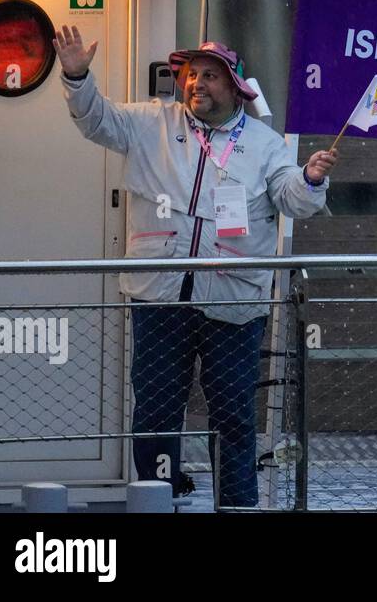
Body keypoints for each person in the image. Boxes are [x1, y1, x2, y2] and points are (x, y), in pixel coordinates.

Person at [54, 26, 336, 507]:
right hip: (159, 296)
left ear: (235, 88)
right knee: (159, 408)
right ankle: (156, 499)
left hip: (234, 301)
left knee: (232, 412)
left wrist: (310, 179)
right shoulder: (150, 123)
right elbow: (96, 121)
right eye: (190, 74)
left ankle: (236, 502)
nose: (196, 83)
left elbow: (294, 199)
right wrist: (77, 75)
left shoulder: (266, 144)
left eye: (210, 75)